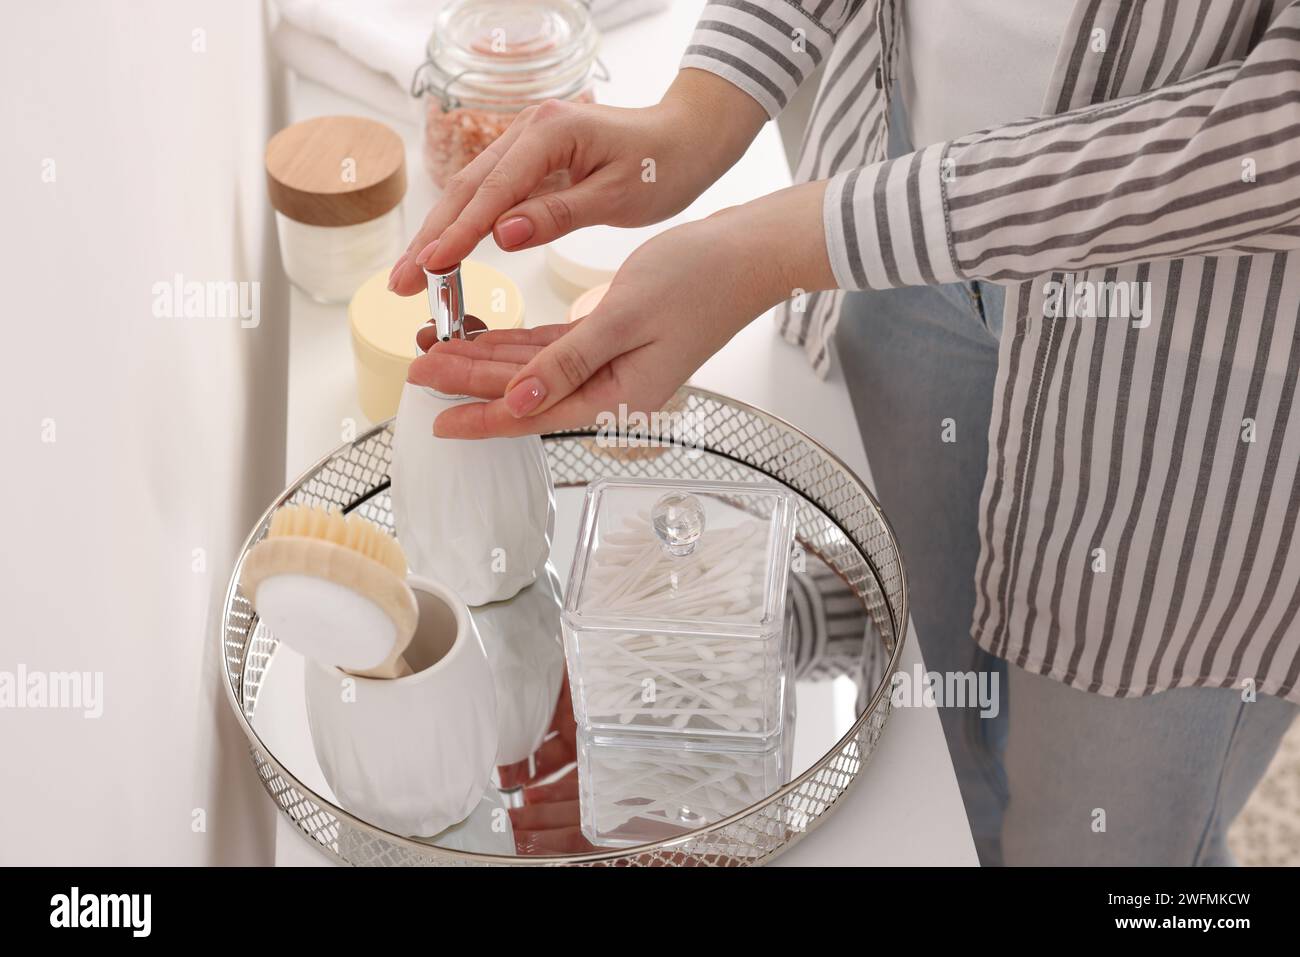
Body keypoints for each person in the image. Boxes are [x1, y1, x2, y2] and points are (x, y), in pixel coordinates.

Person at [389, 0, 1300, 865]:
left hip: (1201, 358)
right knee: (918, 695)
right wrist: (700, 113)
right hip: (907, 235)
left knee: (1102, 839)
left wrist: (778, 247)